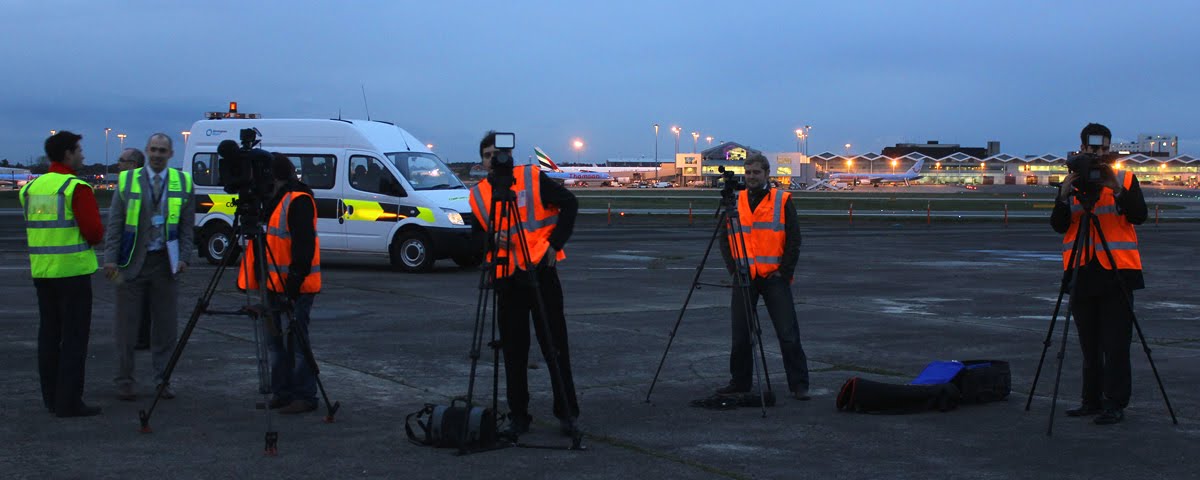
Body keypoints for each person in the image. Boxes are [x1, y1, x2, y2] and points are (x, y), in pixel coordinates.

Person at [468, 131, 581, 437]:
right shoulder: (477, 194)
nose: (494, 160)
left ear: (510, 155)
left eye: (498, 154)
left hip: (540, 271)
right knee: (514, 353)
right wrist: (491, 237)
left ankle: (567, 412)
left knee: (555, 347)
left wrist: (554, 245)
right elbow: (474, 236)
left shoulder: (530, 178)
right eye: (487, 155)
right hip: (506, 278)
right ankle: (518, 415)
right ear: (481, 161)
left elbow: (570, 204)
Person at [1051, 123, 1147, 425]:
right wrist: (1063, 196)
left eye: (1104, 148)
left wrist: (1115, 188)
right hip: (1082, 270)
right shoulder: (1072, 180)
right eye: (1093, 149)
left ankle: (1114, 403)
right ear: (1082, 148)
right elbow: (1059, 225)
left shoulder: (1124, 178)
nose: (1099, 154)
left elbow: (1139, 216)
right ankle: (1090, 400)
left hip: (1117, 272)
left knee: (1116, 345)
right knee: (1089, 345)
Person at [103, 133, 194, 401]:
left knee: (165, 327)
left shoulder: (183, 182)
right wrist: (109, 258)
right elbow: (115, 224)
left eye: (162, 150)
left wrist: (185, 257)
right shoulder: (127, 180)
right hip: (131, 262)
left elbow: (187, 227)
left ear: (170, 154)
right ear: (146, 150)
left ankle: (162, 380)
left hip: (166, 263)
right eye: (153, 149)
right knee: (126, 327)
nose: (157, 154)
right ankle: (124, 380)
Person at [22, 131, 104, 417]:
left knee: (48, 335)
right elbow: (94, 233)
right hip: (72, 273)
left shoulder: (31, 189)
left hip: (42, 272)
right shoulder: (75, 188)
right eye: (79, 150)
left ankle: (51, 398)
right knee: (74, 339)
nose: (82, 155)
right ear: (68, 154)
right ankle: (69, 400)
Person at [716, 153, 811, 400]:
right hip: (745, 275)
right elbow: (725, 239)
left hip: (773, 277)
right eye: (747, 173)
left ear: (767, 174)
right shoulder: (736, 200)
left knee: (788, 334)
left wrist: (784, 271)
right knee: (740, 334)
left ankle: (799, 385)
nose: (751, 177)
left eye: (756, 172)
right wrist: (734, 269)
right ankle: (740, 382)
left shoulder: (782, 199)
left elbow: (794, 239)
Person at [239, 153, 322, 415]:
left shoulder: (297, 200)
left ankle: (305, 395)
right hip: (272, 284)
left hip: (294, 285)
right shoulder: (271, 201)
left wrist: (293, 284)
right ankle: (282, 392)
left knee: (296, 341)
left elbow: (303, 246)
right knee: (275, 341)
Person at [116, 148, 153, 351]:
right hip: (129, 250)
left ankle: (142, 336)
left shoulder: (141, 184)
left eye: (122, 160)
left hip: (139, 251)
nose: (118, 164)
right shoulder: (127, 183)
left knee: (140, 298)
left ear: (132, 164)